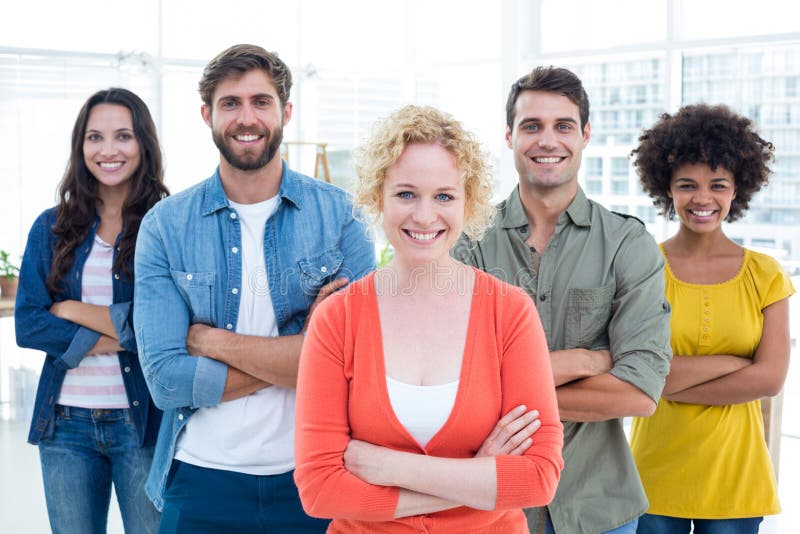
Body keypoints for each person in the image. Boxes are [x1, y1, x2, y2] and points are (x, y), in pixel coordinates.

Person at [132, 44, 375, 533]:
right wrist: (304, 355)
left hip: (315, 475)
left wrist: (211, 341)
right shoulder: (165, 226)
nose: (247, 118)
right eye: (230, 103)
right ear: (207, 115)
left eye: (261, 102)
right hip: (200, 479)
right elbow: (166, 383)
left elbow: (359, 362)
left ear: (286, 112)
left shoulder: (341, 216)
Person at [294, 105, 563, 533]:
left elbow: (538, 478)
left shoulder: (509, 312)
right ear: (377, 197)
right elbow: (321, 489)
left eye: (443, 196)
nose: (424, 216)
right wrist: (477, 477)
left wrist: (389, 467)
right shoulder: (337, 319)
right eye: (406, 194)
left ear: (467, 202)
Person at [452, 66, 673, 534]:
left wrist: (506, 392)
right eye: (532, 126)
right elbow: (453, 381)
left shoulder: (626, 244)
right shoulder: (468, 242)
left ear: (585, 134)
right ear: (510, 136)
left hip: (598, 508)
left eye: (563, 126)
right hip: (489, 504)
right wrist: (585, 361)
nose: (547, 140)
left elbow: (639, 392)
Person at [628, 104, 795, 534]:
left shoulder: (766, 274)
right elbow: (641, 375)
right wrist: (735, 364)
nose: (703, 199)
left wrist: (667, 383)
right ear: (667, 188)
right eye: (687, 185)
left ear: (737, 189)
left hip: (736, 480)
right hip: (652, 476)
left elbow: (770, 380)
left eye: (717, 185)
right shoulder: (642, 268)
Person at [15, 88, 167, 534]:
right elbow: (29, 324)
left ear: (143, 143)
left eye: (123, 136)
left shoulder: (165, 225)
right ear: (80, 146)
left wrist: (69, 308)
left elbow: (166, 327)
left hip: (141, 422)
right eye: (95, 137)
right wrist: (124, 336)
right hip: (64, 425)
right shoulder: (51, 227)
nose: (108, 150)